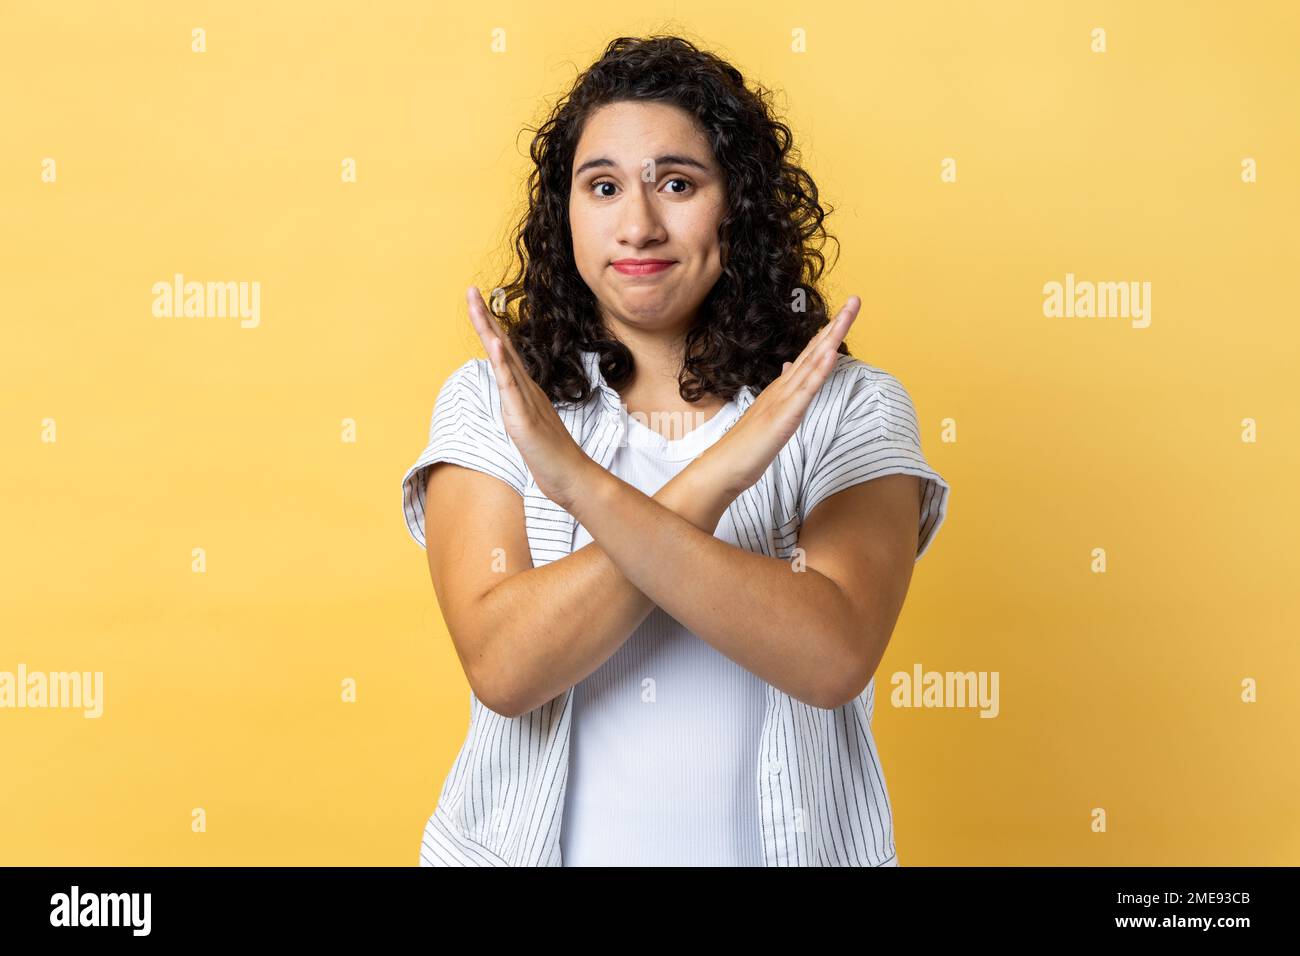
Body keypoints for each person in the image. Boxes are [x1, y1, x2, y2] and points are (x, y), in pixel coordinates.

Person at [400, 35, 950, 866]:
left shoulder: (849, 408)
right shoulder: (497, 401)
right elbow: (508, 669)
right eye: (605, 186)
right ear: (568, 213)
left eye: (679, 184)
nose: (638, 224)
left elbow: (831, 656)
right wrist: (713, 478)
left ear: (738, 205)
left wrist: (586, 490)